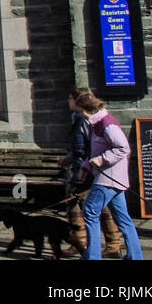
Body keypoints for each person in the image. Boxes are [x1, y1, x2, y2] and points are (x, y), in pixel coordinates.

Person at [75, 91, 144, 260]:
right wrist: (86, 166)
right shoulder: (97, 123)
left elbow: (123, 148)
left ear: (85, 110)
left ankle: (92, 256)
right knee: (123, 219)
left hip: (108, 178)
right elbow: (97, 151)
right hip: (113, 177)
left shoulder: (107, 124)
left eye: (79, 111)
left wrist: (101, 160)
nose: (79, 114)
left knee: (90, 213)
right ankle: (136, 256)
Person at [58, 86, 123, 257]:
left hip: (85, 168)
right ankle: (111, 244)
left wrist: (81, 166)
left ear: (77, 101)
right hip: (86, 165)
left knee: (77, 204)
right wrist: (70, 157)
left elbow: (86, 147)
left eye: (70, 99)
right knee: (98, 206)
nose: (68, 102)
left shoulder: (84, 119)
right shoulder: (81, 118)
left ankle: (82, 244)